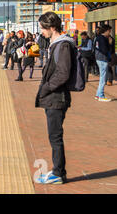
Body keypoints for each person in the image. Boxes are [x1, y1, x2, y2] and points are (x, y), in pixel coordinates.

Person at [35, 12, 74, 185]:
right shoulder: (56, 44)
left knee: (55, 137)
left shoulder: (62, 45)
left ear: (51, 27)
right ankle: (57, 170)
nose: (41, 32)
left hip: (56, 97)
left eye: (43, 28)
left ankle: (58, 173)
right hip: (53, 96)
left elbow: (63, 73)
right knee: (54, 136)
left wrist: (46, 88)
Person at [94, 25, 112, 102]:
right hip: (103, 59)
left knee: (102, 77)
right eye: (109, 31)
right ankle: (101, 95)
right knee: (103, 78)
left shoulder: (98, 37)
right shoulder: (103, 38)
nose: (110, 33)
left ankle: (98, 94)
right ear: (106, 30)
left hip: (99, 58)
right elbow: (105, 49)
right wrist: (110, 43)